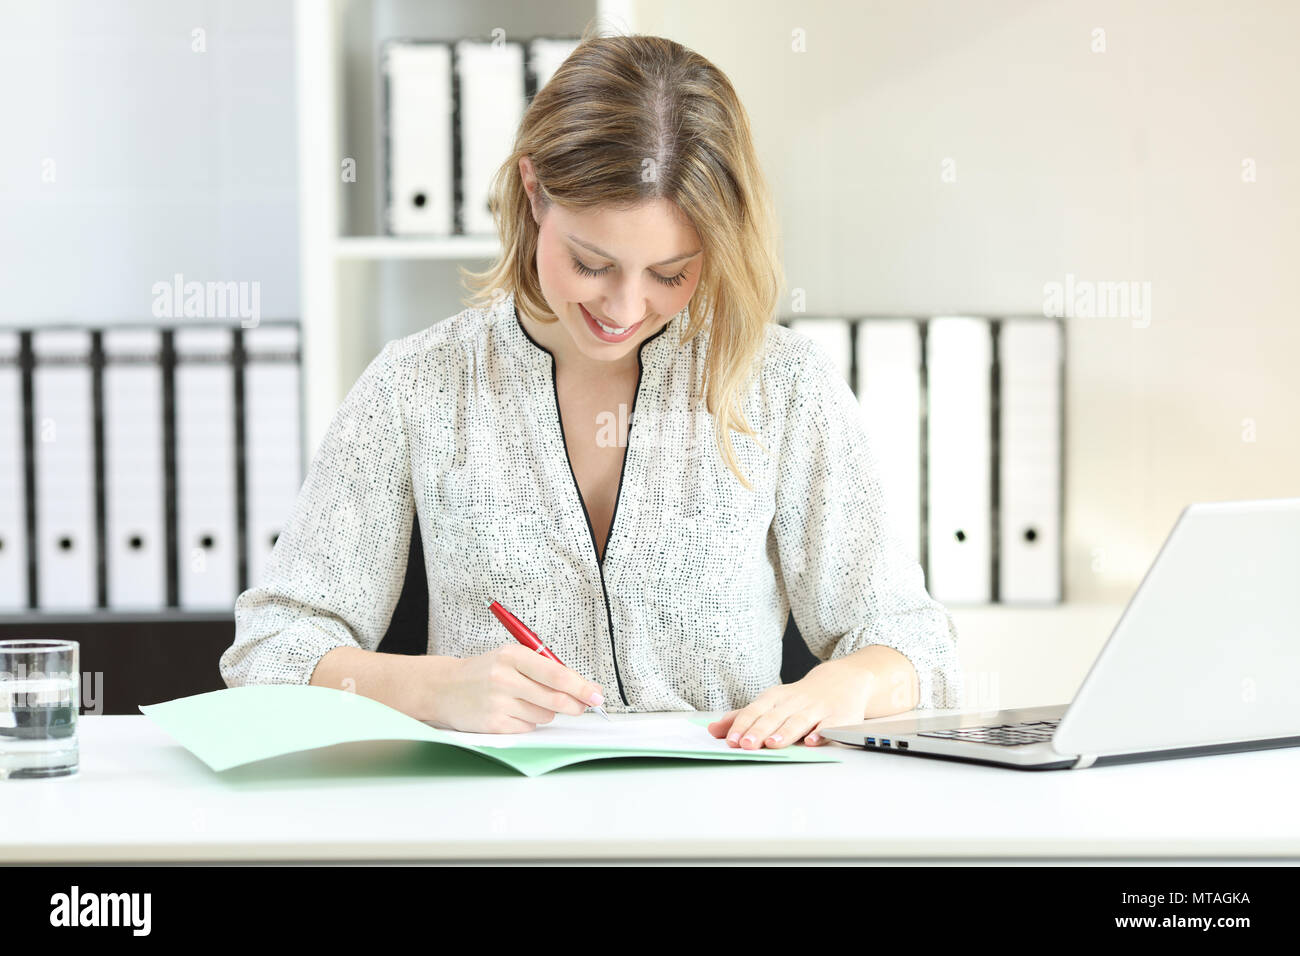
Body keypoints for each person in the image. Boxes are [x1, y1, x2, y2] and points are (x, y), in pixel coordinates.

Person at [220, 28, 962, 751]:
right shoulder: (419, 384)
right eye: (592, 263)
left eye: (671, 274)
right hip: (503, 826)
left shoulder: (784, 384)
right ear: (534, 191)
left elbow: (916, 645)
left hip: (724, 825)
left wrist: (847, 686)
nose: (624, 308)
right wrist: (432, 688)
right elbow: (270, 651)